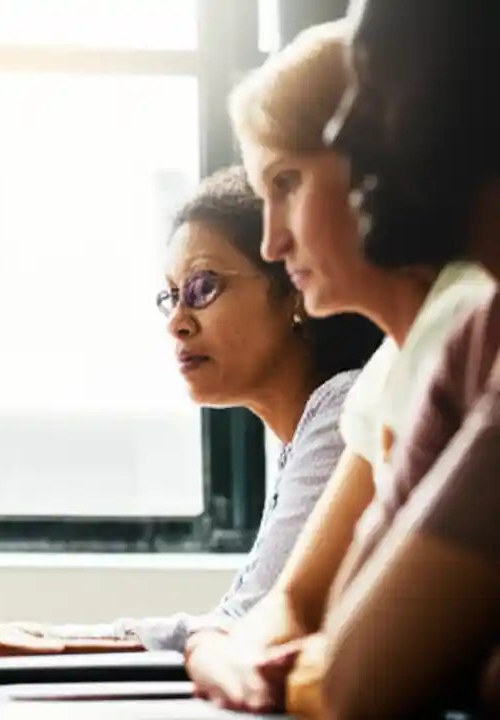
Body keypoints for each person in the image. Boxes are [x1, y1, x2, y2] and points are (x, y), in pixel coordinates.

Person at [0, 166, 382, 660]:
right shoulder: (308, 430)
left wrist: (58, 644)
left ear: (291, 284)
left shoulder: (344, 408)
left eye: (203, 288)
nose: (177, 323)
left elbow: (250, 624)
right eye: (171, 296)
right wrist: (54, 639)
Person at [182, 18, 495, 715]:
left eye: (287, 182)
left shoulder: (467, 325)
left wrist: (228, 647)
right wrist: (216, 646)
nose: (271, 239)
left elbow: (352, 668)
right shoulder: (394, 366)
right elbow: (296, 603)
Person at [284, 1, 500, 716]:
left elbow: (353, 686)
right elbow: (345, 655)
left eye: (375, 86)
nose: (344, 131)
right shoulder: (476, 340)